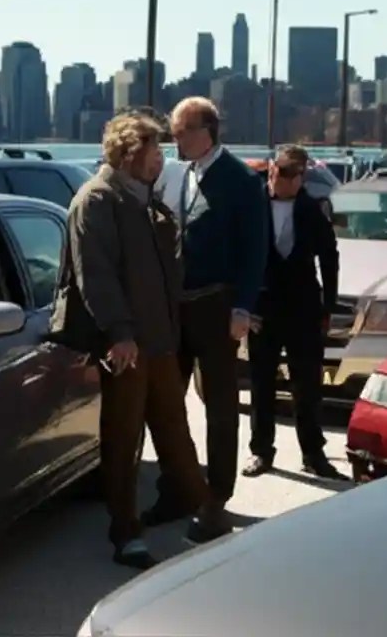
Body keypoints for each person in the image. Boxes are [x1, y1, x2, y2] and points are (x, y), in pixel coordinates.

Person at [48, 113, 228, 568]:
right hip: (123, 346)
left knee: (174, 431)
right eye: (154, 151)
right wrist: (120, 334)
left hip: (160, 341)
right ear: (130, 153)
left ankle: (205, 512)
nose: (161, 159)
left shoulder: (147, 202)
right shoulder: (97, 201)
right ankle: (125, 532)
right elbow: (97, 277)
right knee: (123, 437)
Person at [145, 97, 267, 535]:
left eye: (180, 132)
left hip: (218, 306)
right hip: (179, 306)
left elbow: (256, 250)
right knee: (166, 403)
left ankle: (217, 497)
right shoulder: (183, 174)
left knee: (220, 406)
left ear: (207, 131)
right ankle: (177, 487)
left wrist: (243, 308)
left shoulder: (240, 180)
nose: (174, 140)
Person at [242, 145, 345, 480]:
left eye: (290, 174)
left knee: (307, 386)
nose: (282, 179)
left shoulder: (312, 210)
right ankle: (261, 451)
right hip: (262, 309)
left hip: (303, 309)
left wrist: (328, 306)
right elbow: (237, 257)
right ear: (270, 169)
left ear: (301, 177)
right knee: (261, 383)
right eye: (278, 171)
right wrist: (239, 305)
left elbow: (329, 258)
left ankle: (313, 453)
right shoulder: (252, 205)